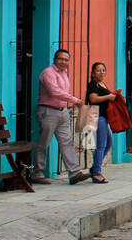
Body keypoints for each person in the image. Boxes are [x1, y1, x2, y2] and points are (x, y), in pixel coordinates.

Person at [30, 48, 90, 185]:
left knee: (66, 141)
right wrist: (75, 100)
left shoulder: (64, 73)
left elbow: (62, 93)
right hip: (48, 111)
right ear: (55, 60)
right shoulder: (48, 73)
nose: (63, 62)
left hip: (62, 111)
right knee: (44, 143)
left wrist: (70, 103)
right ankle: (37, 173)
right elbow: (54, 92)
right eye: (61, 59)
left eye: (66, 59)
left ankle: (74, 172)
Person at [85, 62, 120, 184]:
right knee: (101, 146)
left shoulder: (102, 84)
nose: (101, 73)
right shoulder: (93, 85)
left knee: (109, 143)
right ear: (93, 73)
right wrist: (109, 97)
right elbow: (93, 99)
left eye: (103, 70)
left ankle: (95, 167)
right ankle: (97, 173)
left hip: (105, 118)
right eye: (98, 70)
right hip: (98, 117)